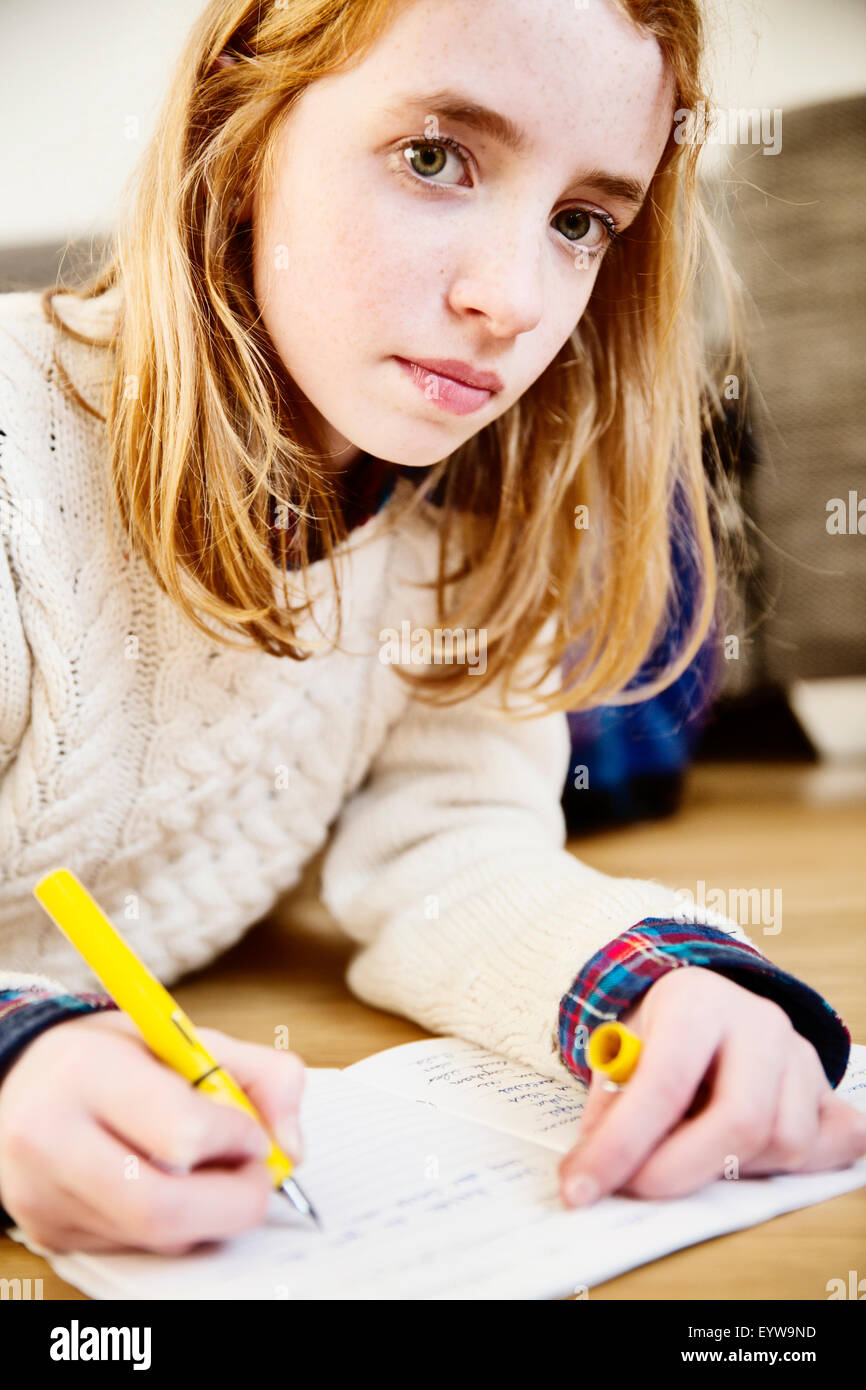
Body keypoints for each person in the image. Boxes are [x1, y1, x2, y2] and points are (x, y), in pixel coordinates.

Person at [0, 0, 862, 1259]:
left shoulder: (469, 507)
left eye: (579, 222)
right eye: (432, 156)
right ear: (238, 136)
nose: (510, 302)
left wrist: (661, 985)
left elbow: (448, 845)